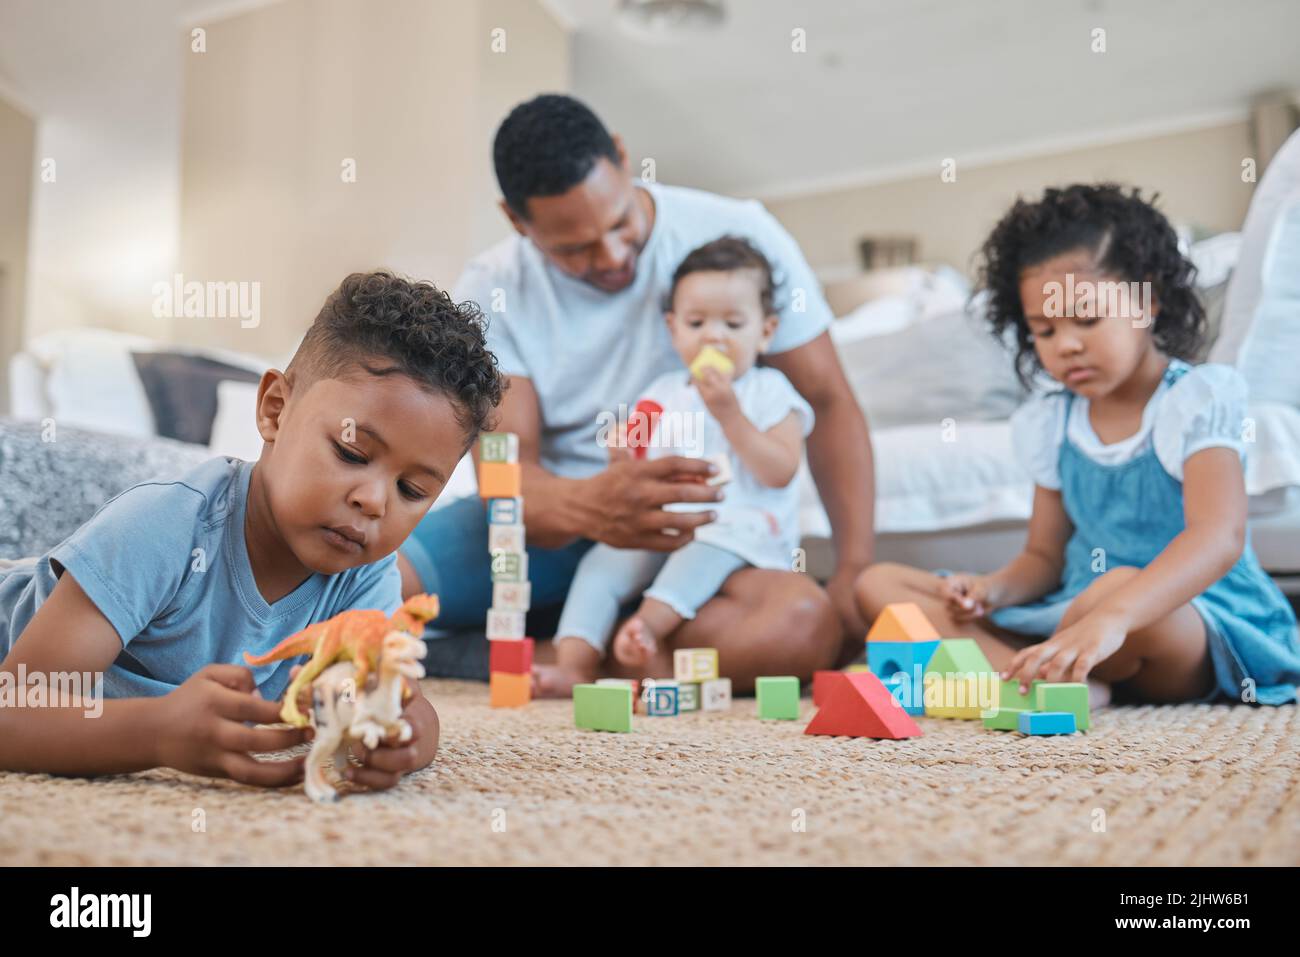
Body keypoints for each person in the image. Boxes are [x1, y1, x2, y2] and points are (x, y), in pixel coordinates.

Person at [398, 95, 876, 690]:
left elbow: (827, 401)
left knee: (802, 625)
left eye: (621, 222)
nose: (614, 258)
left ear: (623, 159)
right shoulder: (493, 288)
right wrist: (594, 502)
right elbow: (504, 475)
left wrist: (854, 568)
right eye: (574, 249)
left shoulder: (740, 235)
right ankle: (590, 640)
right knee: (370, 584)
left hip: (705, 536)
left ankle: (567, 645)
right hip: (549, 525)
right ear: (517, 221)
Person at [0, 271, 505, 784]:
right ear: (275, 410)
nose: (373, 501)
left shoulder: (365, 577)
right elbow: (14, 712)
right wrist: (155, 733)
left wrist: (401, 737)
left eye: (412, 490)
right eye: (351, 453)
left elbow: (401, 699)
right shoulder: (164, 527)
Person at [856, 184, 1300, 706]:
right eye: (1043, 330)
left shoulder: (1197, 399)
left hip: (1188, 619)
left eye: (1087, 320)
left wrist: (1113, 615)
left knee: (1113, 588)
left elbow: (1218, 538)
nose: (1065, 344)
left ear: (1145, 304)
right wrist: (991, 589)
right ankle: (1045, 682)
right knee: (880, 584)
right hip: (1076, 615)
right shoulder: (1052, 419)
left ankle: (1030, 672)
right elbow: (1043, 556)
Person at [535, 237, 814, 695]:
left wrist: (729, 413)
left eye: (733, 323)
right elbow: (630, 451)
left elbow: (779, 469)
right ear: (673, 329)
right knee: (601, 565)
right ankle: (574, 665)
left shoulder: (771, 392)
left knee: (699, 557)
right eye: (697, 322)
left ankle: (645, 631)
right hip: (664, 525)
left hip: (736, 533)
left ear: (765, 331)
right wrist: (621, 452)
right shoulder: (663, 391)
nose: (713, 336)